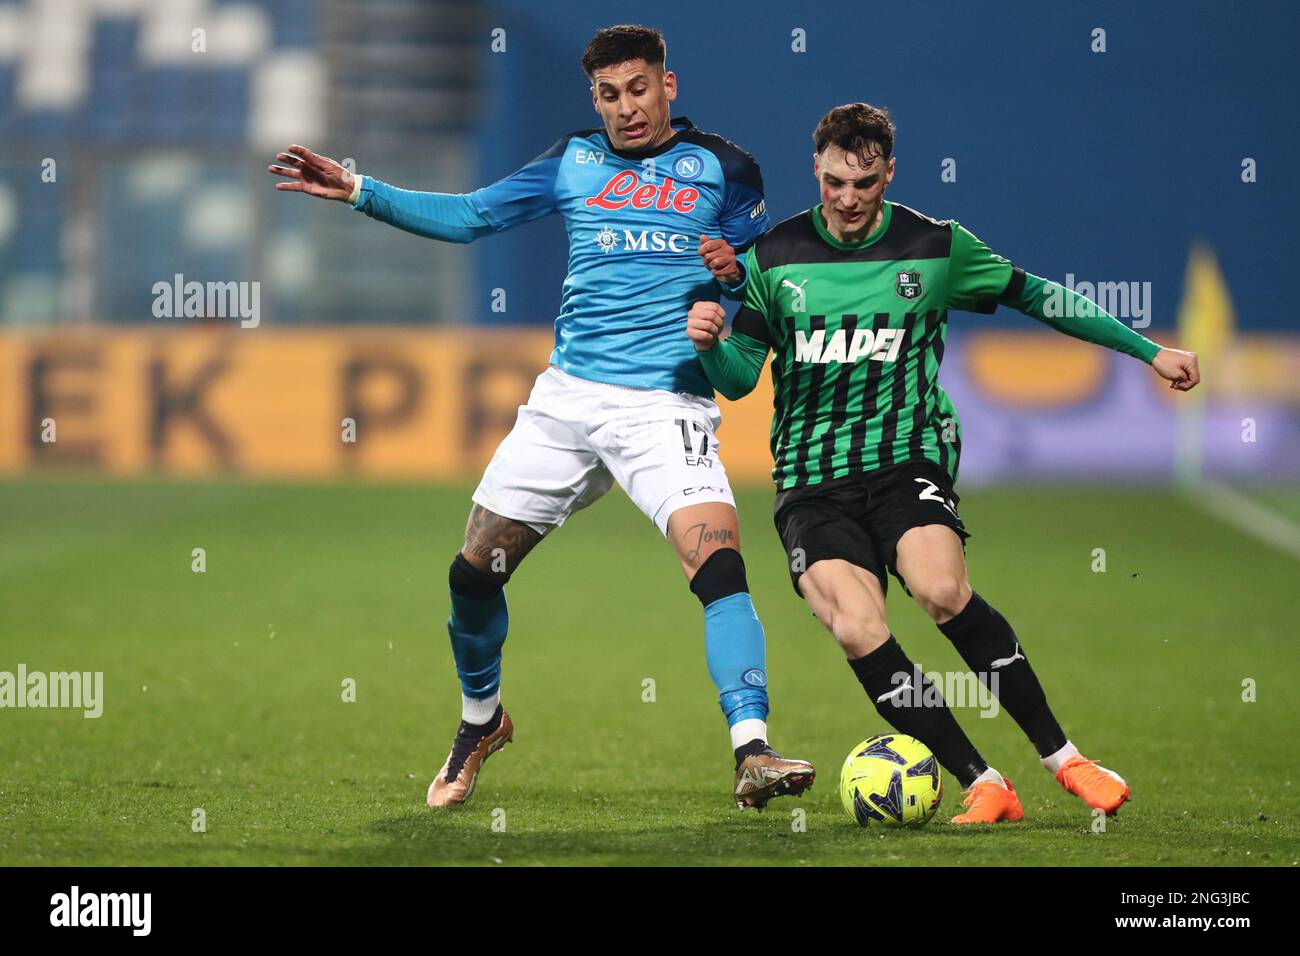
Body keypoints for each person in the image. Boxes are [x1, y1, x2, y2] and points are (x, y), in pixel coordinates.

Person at [268, 25, 814, 811]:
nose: (626, 107)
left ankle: (751, 749)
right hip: (567, 401)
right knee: (473, 574)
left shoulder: (726, 170)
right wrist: (360, 191)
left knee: (720, 566)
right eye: (608, 93)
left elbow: (761, 281)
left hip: (667, 402)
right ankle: (481, 721)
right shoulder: (573, 160)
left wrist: (735, 276)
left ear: (669, 86)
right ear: (593, 96)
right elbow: (470, 217)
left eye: (639, 88)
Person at [687, 102, 1200, 824]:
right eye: (834, 181)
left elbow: (1037, 296)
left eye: (864, 184)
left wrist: (1149, 351)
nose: (847, 199)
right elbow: (741, 376)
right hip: (810, 482)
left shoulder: (936, 246)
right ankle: (982, 781)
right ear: (817, 170)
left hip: (905, 459)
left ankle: (1065, 758)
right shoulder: (774, 256)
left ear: (889, 174)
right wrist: (711, 344)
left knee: (940, 588)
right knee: (857, 627)